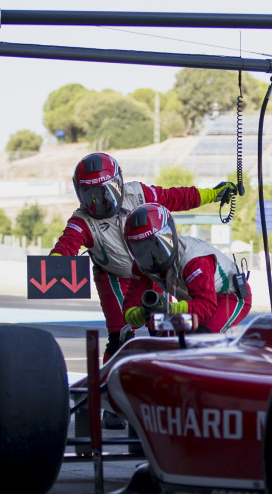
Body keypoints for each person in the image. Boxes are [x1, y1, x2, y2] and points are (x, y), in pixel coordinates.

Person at [50, 152, 237, 361]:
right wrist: (54, 264)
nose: (102, 200)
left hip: (152, 269)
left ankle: (166, 373)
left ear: (119, 182)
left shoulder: (138, 193)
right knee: (120, 336)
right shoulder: (81, 220)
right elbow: (67, 244)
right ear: (79, 194)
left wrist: (213, 194)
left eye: (108, 190)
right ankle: (110, 380)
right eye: (91, 195)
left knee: (165, 329)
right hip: (115, 277)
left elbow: (176, 197)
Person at [122, 203, 251, 334]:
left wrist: (170, 309)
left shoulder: (195, 259)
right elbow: (129, 309)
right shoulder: (142, 264)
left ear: (171, 234)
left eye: (156, 245)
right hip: (195, 303)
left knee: (202, 337)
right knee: (163, 333)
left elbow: (206, 307)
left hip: (229, 296)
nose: (151, 255)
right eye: (140, 249)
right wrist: (143, 313)